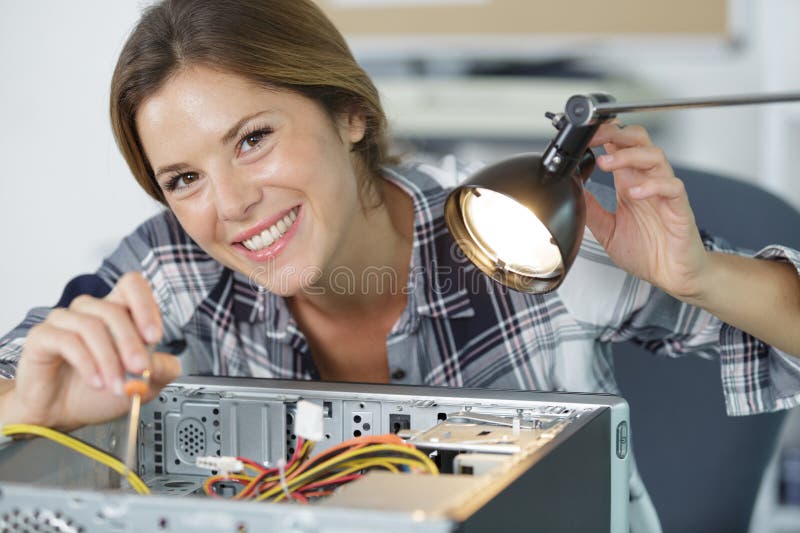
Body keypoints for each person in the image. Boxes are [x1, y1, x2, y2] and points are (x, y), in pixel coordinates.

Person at [0, 0, 799, 530]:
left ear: (351, 113)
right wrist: (28, 408)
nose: (231, 203)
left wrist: (700, 276)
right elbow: (25, 368)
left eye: (253, 138)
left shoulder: (521, 239)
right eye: (184, 179)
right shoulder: (174, 261)